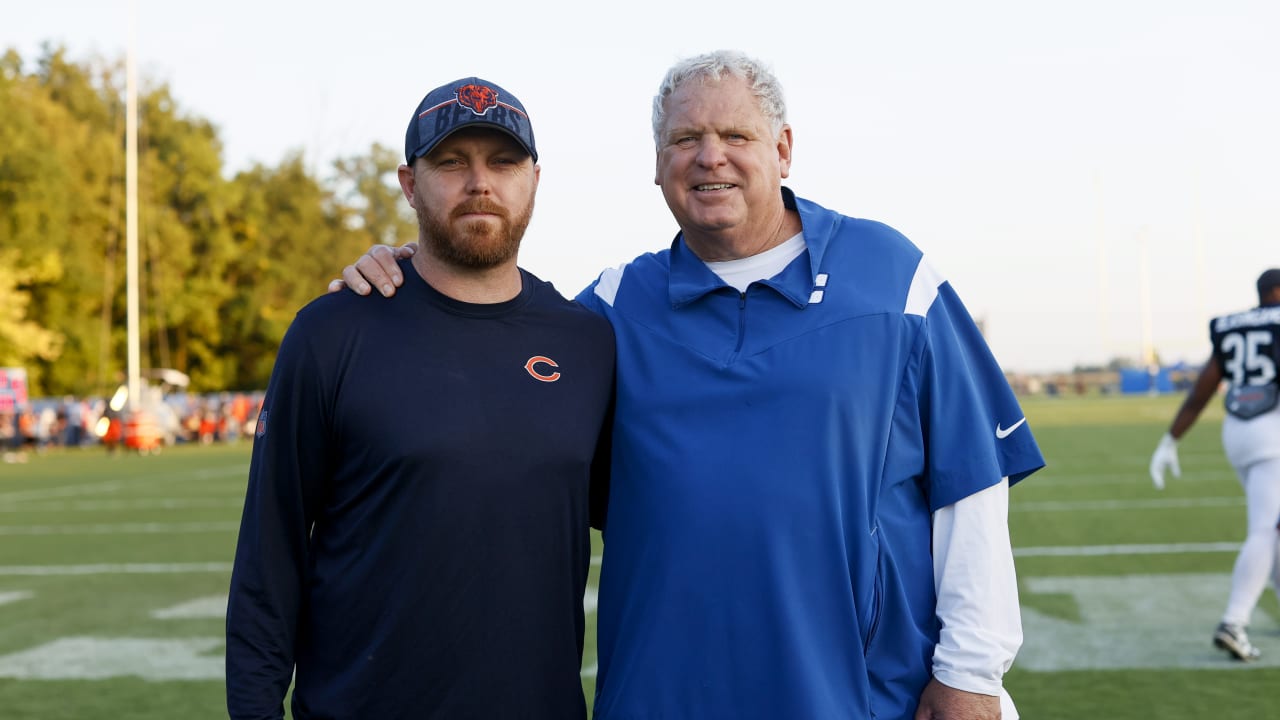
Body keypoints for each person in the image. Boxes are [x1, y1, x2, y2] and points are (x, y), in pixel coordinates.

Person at [336, 51, 1044, 720]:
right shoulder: (608, 310)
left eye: (736, 133)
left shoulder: (893, 278)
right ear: (657, 164)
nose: (711, 156)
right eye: (685, 138)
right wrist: (408, 272)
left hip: (852, 695)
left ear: (784, 149)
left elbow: (970, 486)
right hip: (658, 695)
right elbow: (484, 370)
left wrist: (972, 674)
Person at [225, 77, 615, 720]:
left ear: (535, 180)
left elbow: (640, 516)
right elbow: (271, 553)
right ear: (410, 184)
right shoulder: (332, 332)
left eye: (503, 162)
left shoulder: (587, 342)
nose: (479, 183)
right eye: (452, 163)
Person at [1149, 268, 1280, 662]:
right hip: (1273, 430)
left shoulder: (1232, 326)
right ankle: (1233, 622)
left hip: (1238, 430)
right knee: (1265, 528)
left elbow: (1204, 387)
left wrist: (1171, 438)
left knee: (1273, 525)